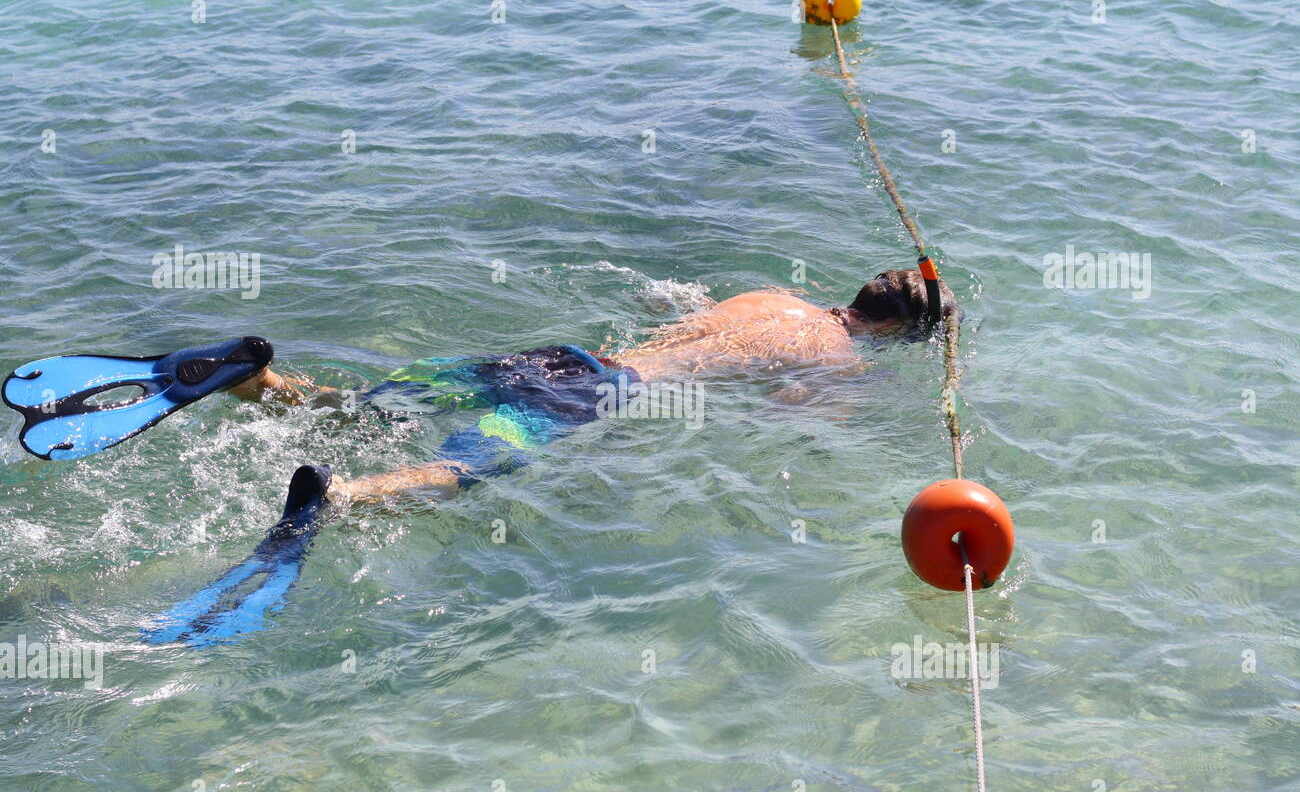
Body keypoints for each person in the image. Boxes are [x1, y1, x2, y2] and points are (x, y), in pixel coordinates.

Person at [230, 268, 957, 504]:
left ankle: (267, 385)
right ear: (891, 331)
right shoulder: (835, 355)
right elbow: (787, 412)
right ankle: (344, 496)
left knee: (382, 400)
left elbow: (674, 302)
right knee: (472, 464)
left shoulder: (775, 295)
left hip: (568, 359)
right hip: (598, 394)